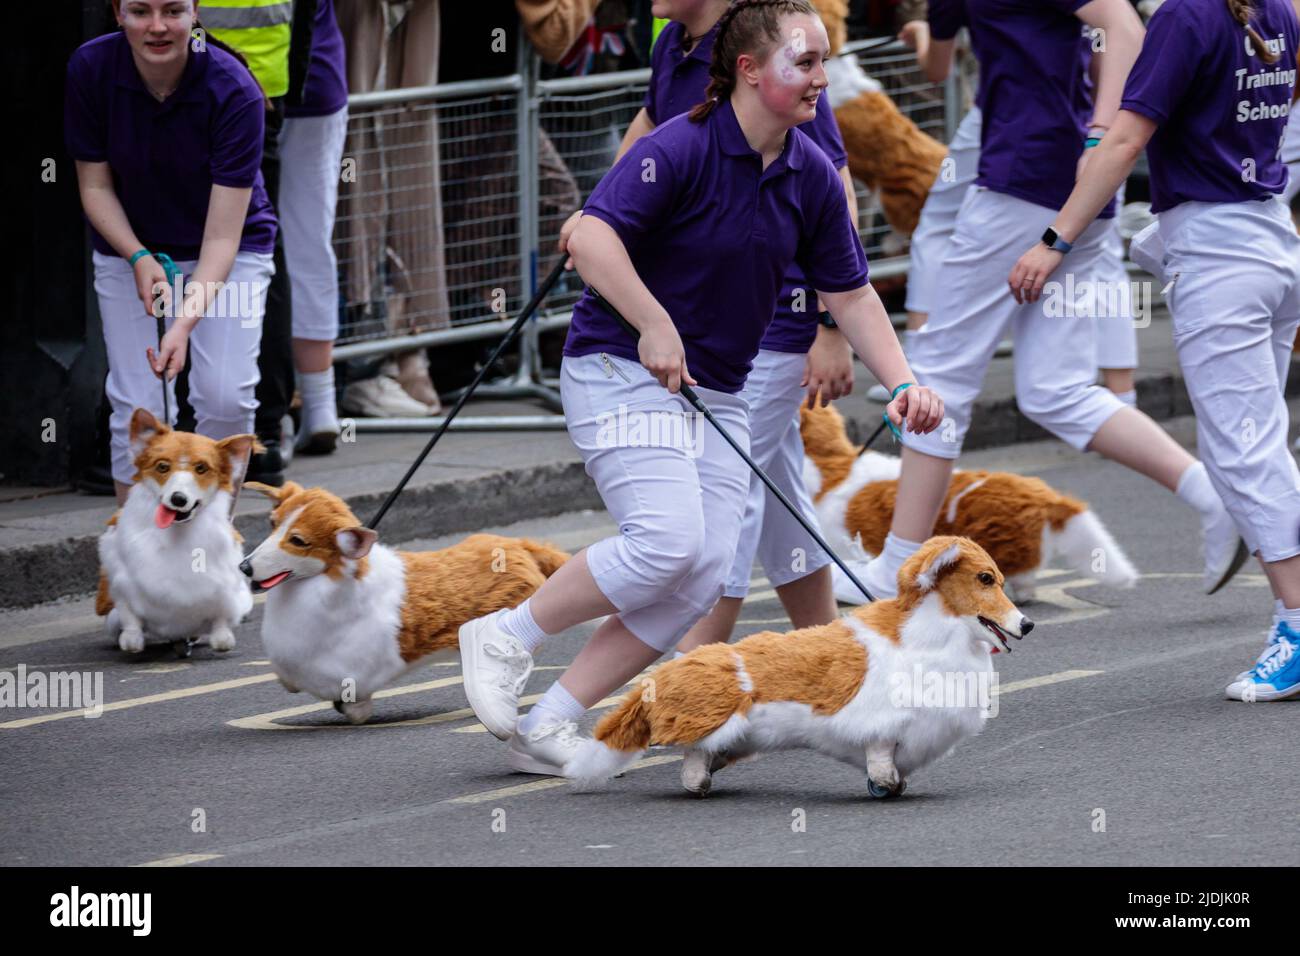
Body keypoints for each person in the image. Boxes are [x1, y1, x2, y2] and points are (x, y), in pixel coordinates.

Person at [456, 0, 944, 777]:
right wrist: (652, 321)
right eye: (805, 61)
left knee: (703, 576)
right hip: (617, 368)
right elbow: (588, 236)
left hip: (715, 391)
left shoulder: (809, 172)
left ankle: (550, 720)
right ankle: (507, 633)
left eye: (822, 60)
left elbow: (849, 293)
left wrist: (905, 381)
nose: (823, 77)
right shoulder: (680, 149)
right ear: (749, 70)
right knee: (669, 543)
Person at [856, 0, 1245, 606]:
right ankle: (1213, 497)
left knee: (939, 370)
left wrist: (1100, 130)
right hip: (1062, 185)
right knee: (1054, 389)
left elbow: (1123, 25)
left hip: (1027, 180)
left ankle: (899, 566)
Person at [1008, 0, 1300, 701]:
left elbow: (1123, 143)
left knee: (1245, 452)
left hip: (1219, 258)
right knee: (1263, 447)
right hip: (1271, 241)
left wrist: (1055, 242)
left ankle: (1296, 627)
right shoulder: (1278, 8)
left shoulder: (1186, 16)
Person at [560, 0, 860, 658]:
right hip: (706, 316)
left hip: (765, 320)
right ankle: (837, 669)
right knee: (778, 499)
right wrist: (599, 213)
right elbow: (649, 125)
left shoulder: (784, 60)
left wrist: (830, 322)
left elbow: (832, 179)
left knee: (729, 506)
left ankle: (694, 683)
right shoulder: (674, 43)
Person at [66, 0, 276, 505]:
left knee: (224, 395)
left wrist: (182, 324)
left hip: (229, 247)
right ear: (117, 13)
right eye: (140, 11)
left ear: (195, 11)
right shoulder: (91, 67)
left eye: (173, 11)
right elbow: (94, 187)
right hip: (130, 247)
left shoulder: (234, 88)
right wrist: (138, 257)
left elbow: (222, 237)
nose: (157, 26)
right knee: (137, 403)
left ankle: (211, 547)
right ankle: (133, 557)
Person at [280, 0, 347, 454]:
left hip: (228, 79)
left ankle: (272, 412)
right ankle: (320, 403)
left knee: (244, 249)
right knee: (309, 242)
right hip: (316, 71)